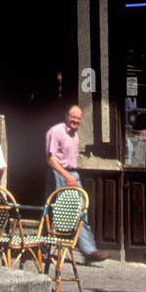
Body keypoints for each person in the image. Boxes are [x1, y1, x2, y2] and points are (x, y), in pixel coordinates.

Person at [45, 105, 106, 264]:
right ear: (66, 116)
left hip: (73, 175)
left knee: (80, 210)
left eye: (78, 119)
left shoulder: (75, 135)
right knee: (53, 211)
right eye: (73, 117)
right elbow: (50, 159)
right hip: (59, 174)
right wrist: (66, 176)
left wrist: (72, 176)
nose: (75, 121)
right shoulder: (56, 131)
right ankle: (44, 250)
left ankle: (89, 250)